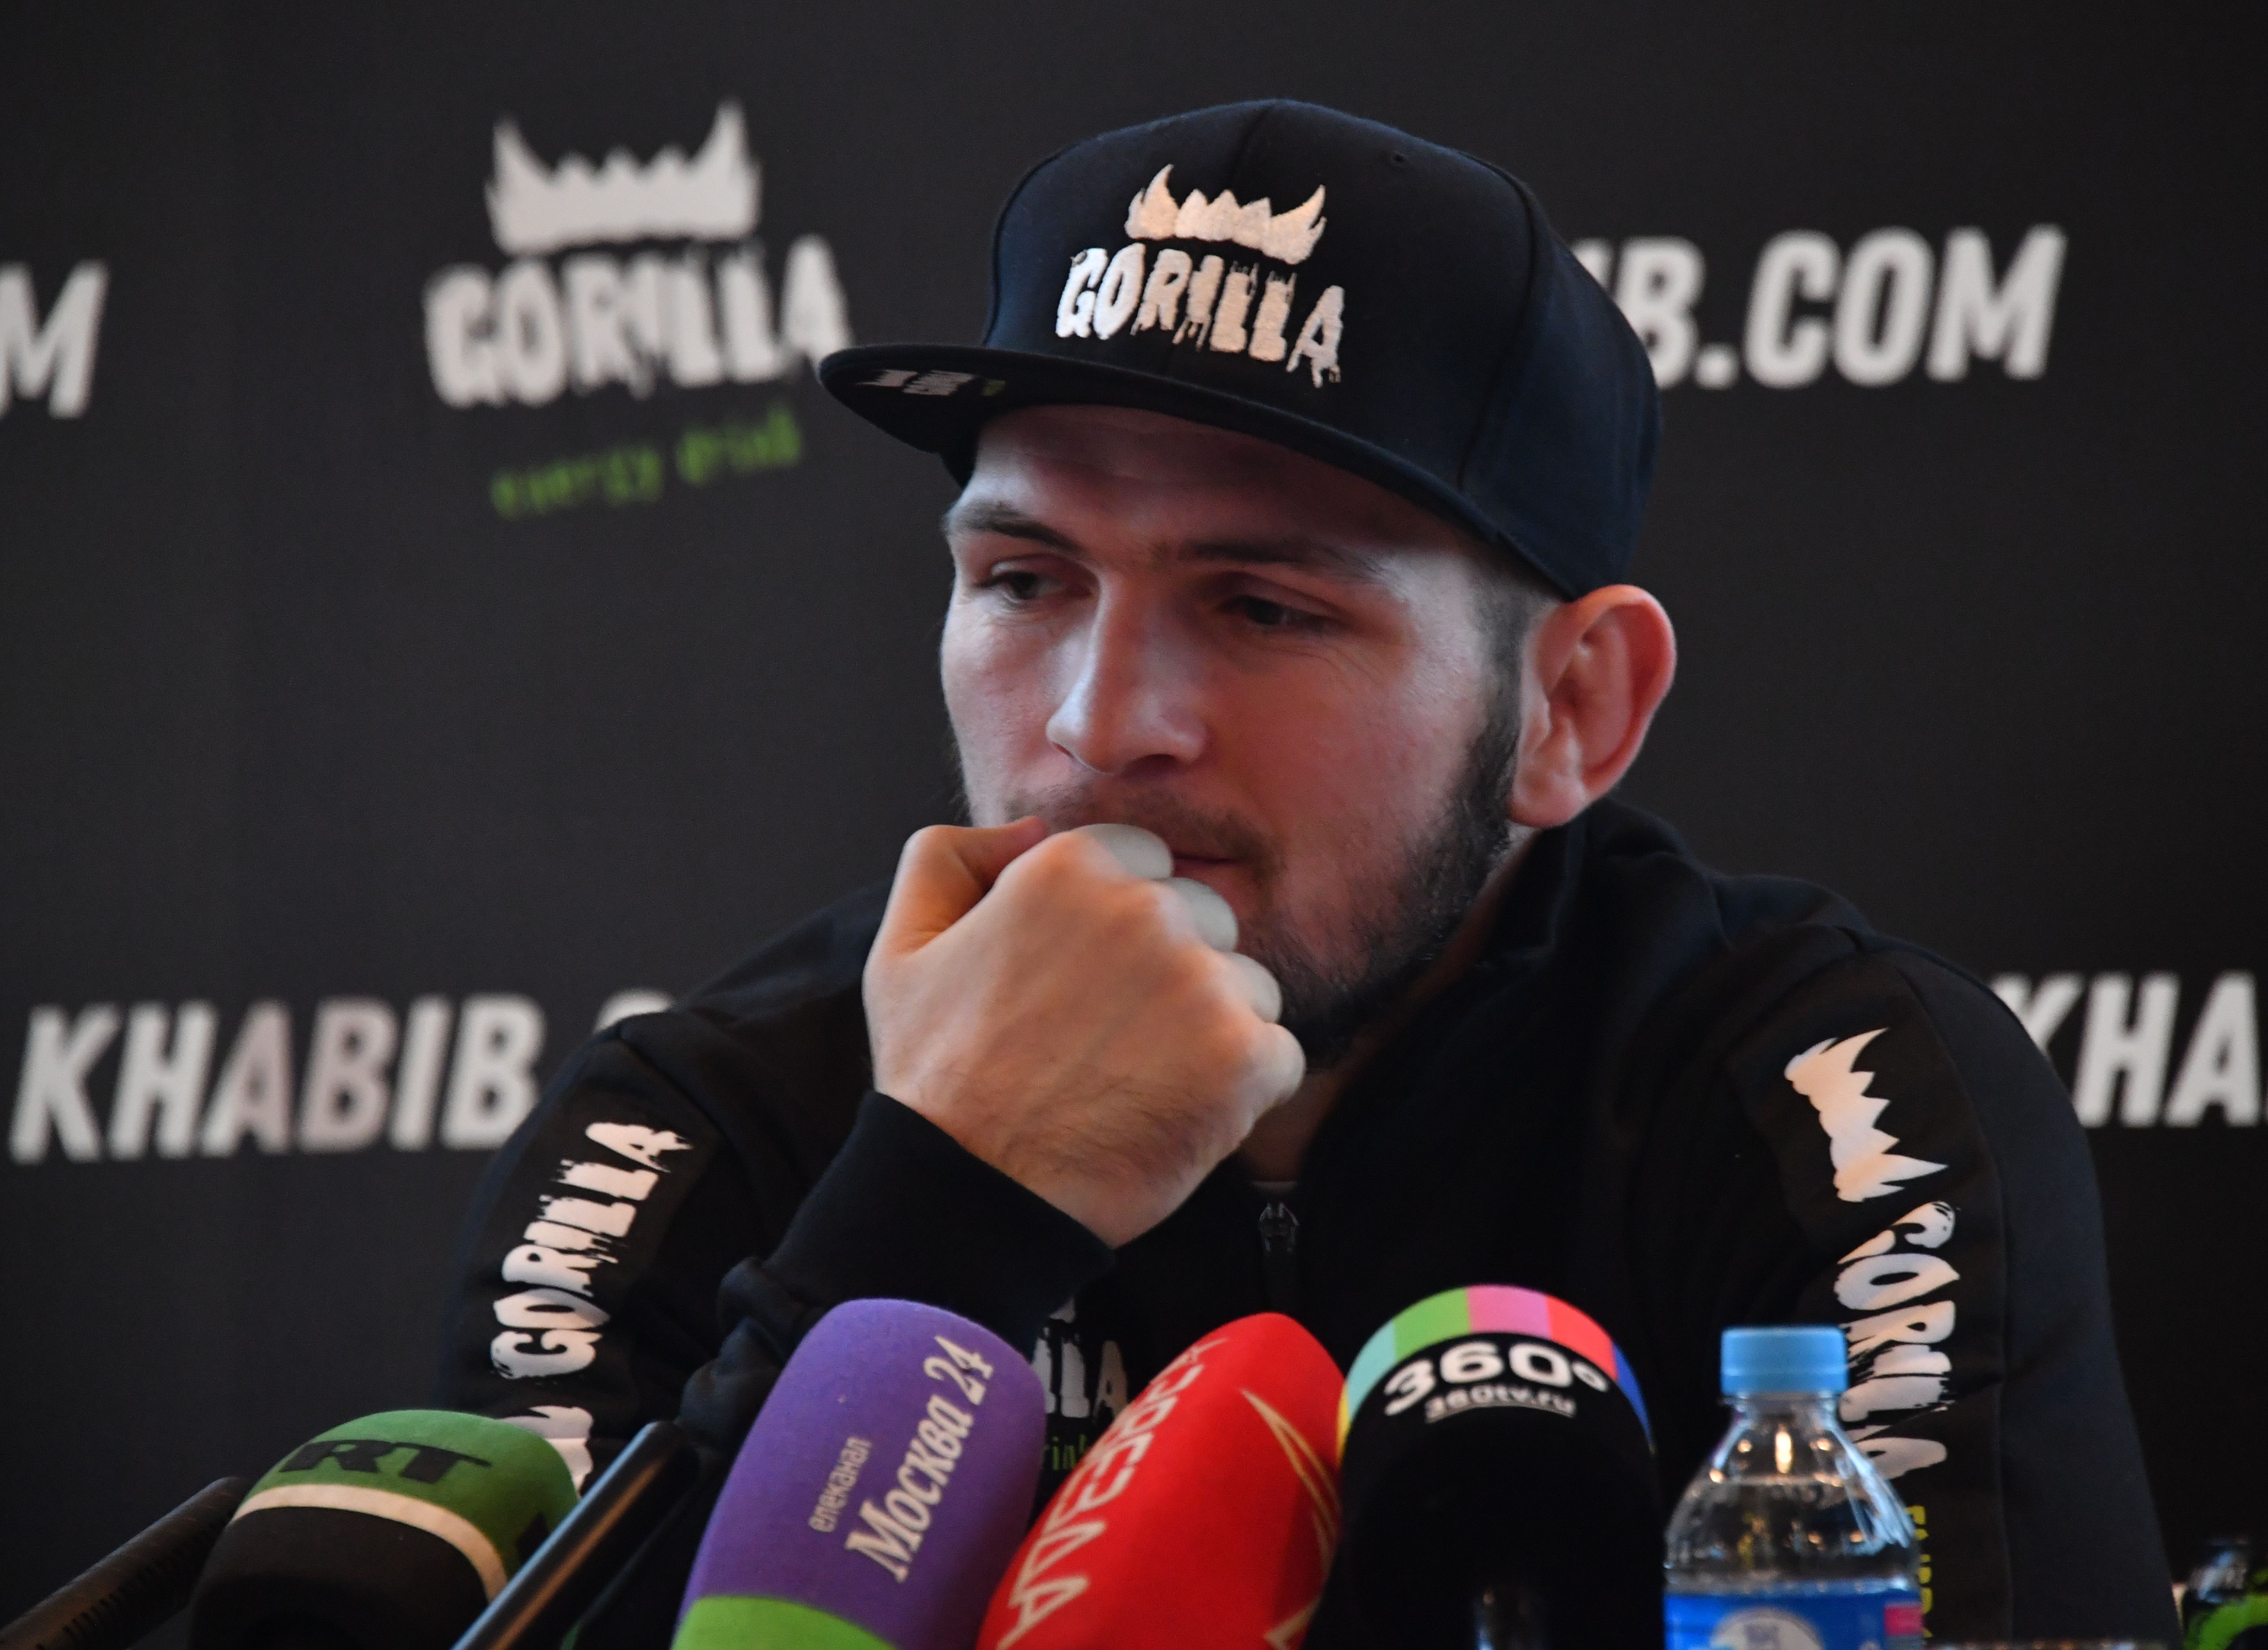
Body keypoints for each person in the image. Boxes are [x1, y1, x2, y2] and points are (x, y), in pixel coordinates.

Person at [437, 100, 2177, 1643]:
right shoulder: (711, 1128)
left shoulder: (1824, 1107)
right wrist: (940, 1216)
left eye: (1265, 608)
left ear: (1572, 707)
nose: (1100, 723)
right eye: (1026, 581)